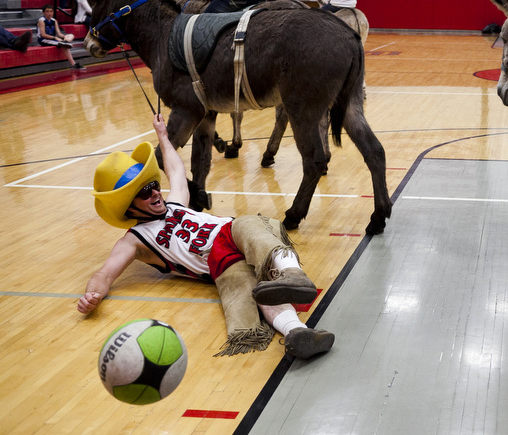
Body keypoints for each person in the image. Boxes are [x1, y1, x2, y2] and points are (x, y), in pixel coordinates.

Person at [78, 114, 335, 360]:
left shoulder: (175, 203)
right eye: (144, 193)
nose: (155, 192)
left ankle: (292, 274)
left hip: (232, 234)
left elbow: (176, 171)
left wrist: (163, 136)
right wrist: (93, 296)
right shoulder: (134, 240)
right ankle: (297, 333)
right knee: (260, 291)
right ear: (128, 206)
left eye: (153, 185)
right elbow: (104, 274)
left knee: (250, 226)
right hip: (219, 264)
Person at [37, 5, 82, 69]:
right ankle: (73, 64)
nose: (49, 13)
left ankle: (65, 42)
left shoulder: (54, 20)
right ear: (43, 12)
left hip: (53, 39)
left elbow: (59, 33)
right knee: (64, 46)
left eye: (51, 11)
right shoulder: (42, 20)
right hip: (43, 40)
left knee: (71, 35)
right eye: (47, 11)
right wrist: (55, 38)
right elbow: (43, 35)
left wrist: (64, 37)